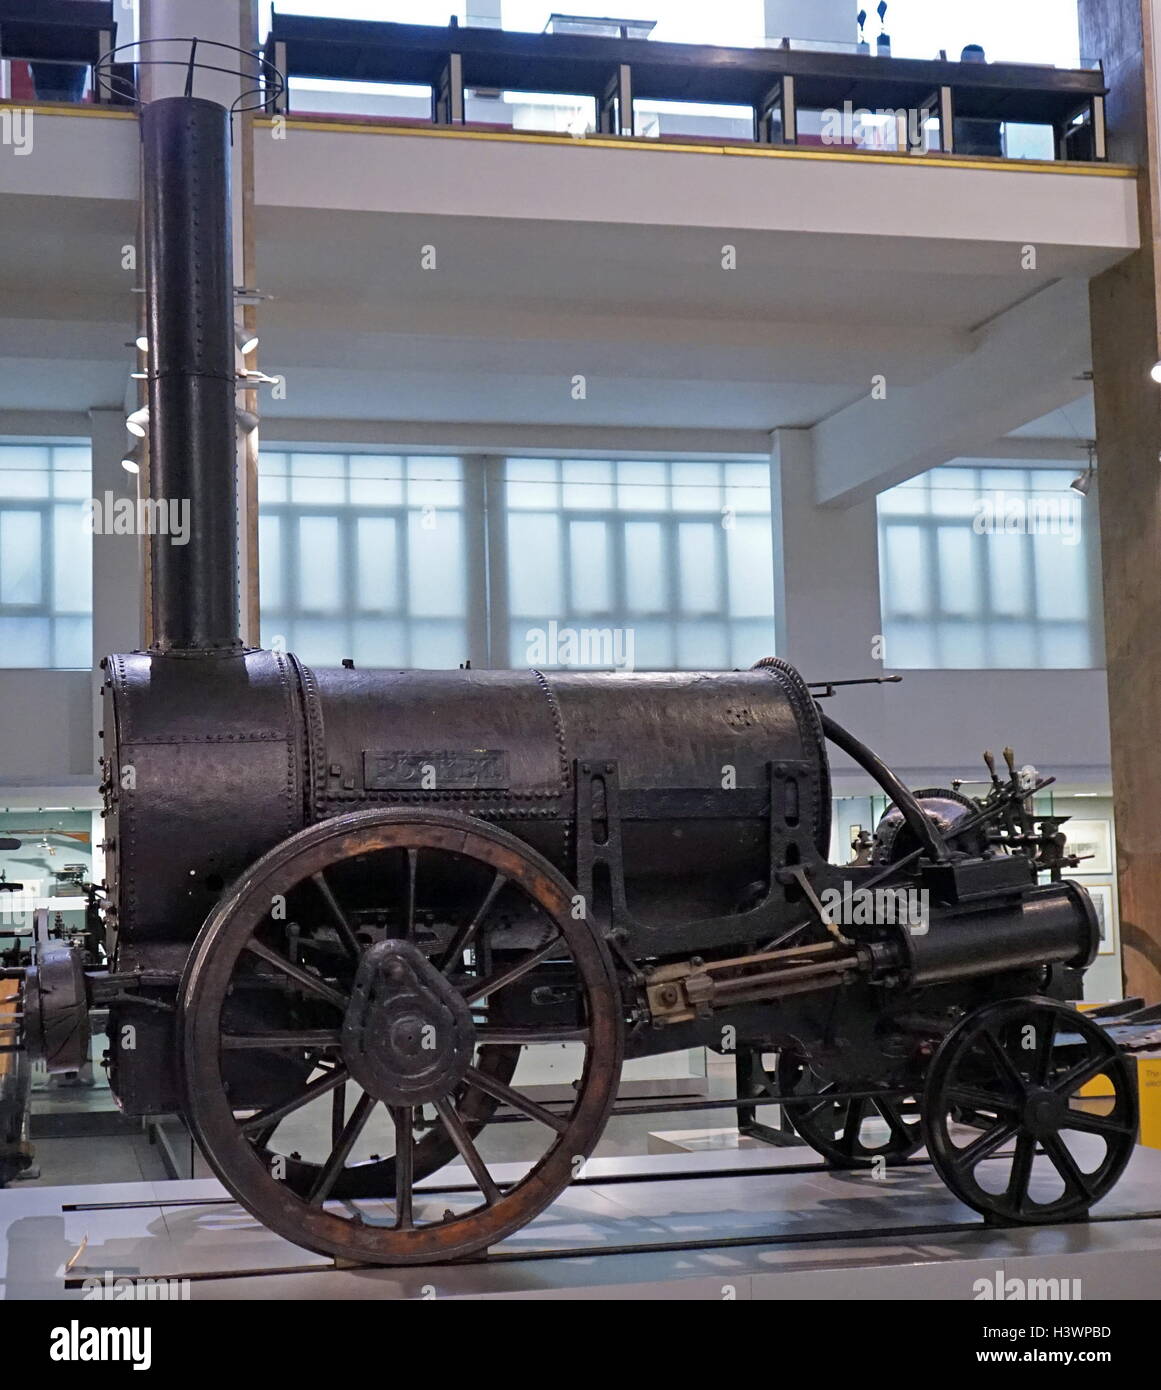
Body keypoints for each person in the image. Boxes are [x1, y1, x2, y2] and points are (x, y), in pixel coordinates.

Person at [954, 44, 1004, 156]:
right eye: (980, 60)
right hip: (965, 154)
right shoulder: (955, 91)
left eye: (983, 59)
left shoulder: (994, 91)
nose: (985, 63)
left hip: (992, 154)